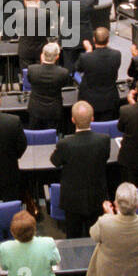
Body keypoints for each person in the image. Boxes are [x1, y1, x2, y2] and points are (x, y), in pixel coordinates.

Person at [50, 101, 111, 239]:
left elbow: (55, 162)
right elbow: (105, 158)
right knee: (95, 237)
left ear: (72, 120)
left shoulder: (64, 143)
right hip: (96, 197)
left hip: (72, 201)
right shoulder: (104, 140)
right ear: (92, 119)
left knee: (73, 237)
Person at [76, 27, 122, 122]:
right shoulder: (117, 55)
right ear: (108, 40)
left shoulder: (85, 58)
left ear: (93, 40)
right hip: (110, 99)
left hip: (89, 100)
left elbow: (77, 68)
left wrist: (88, 51)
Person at [26, 42, 71, 132]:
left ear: (42, 55)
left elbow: (30, 81)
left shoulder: (32, 70)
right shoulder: (63, 73)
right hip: (54, 111)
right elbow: (65, 84)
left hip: (35, 109)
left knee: (35, 136)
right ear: (57, 57)